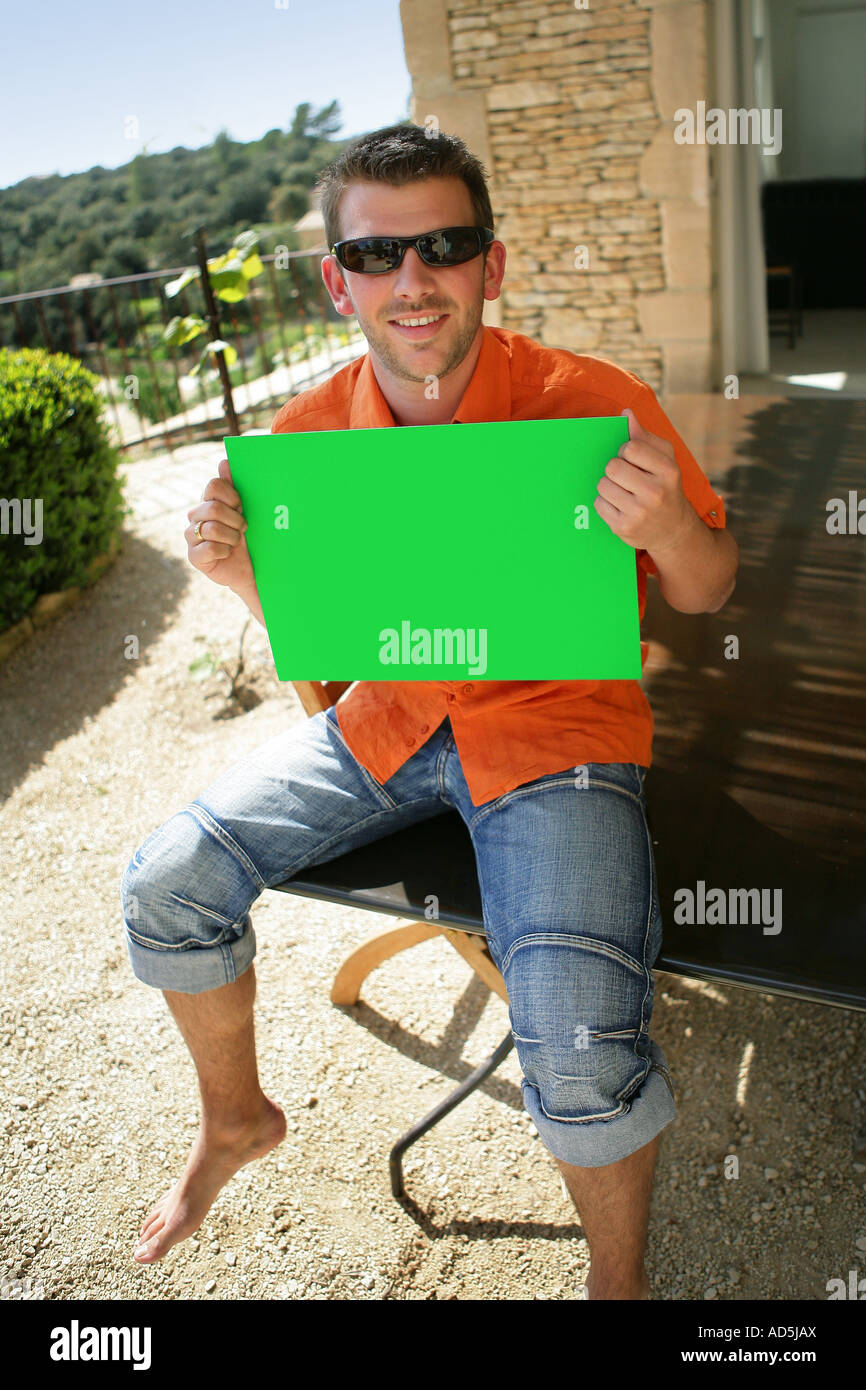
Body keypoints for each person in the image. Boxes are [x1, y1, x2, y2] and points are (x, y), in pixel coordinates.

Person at [121, 123, 738, 1299]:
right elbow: (338, 653)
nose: (412, 280)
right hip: (388, 725)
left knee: (569, 1038)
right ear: (336, 278)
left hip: (557, 743)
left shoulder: (588, 403)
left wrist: (667, 532)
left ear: (489, 266)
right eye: (377, 255)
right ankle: (236, 1119)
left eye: (445, 246)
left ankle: (618, 1289)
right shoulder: (304, 441)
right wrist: (242, 578)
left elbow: (708, 589)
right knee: (163, 881)